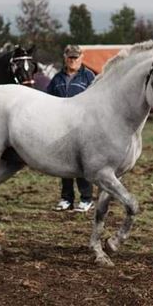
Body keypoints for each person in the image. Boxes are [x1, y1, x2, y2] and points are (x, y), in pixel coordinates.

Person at [47, 45, 95, 212]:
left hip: (82, 126)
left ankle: (86, 198)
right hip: (61, 125)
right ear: (65, 57)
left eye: (76, 57)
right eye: (70, 57)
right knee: (64, 163)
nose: (73, 60)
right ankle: (66, 198)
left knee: (81, 163)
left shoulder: (89, 77)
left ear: (82, 58)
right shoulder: (57, 78)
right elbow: (48, 98)